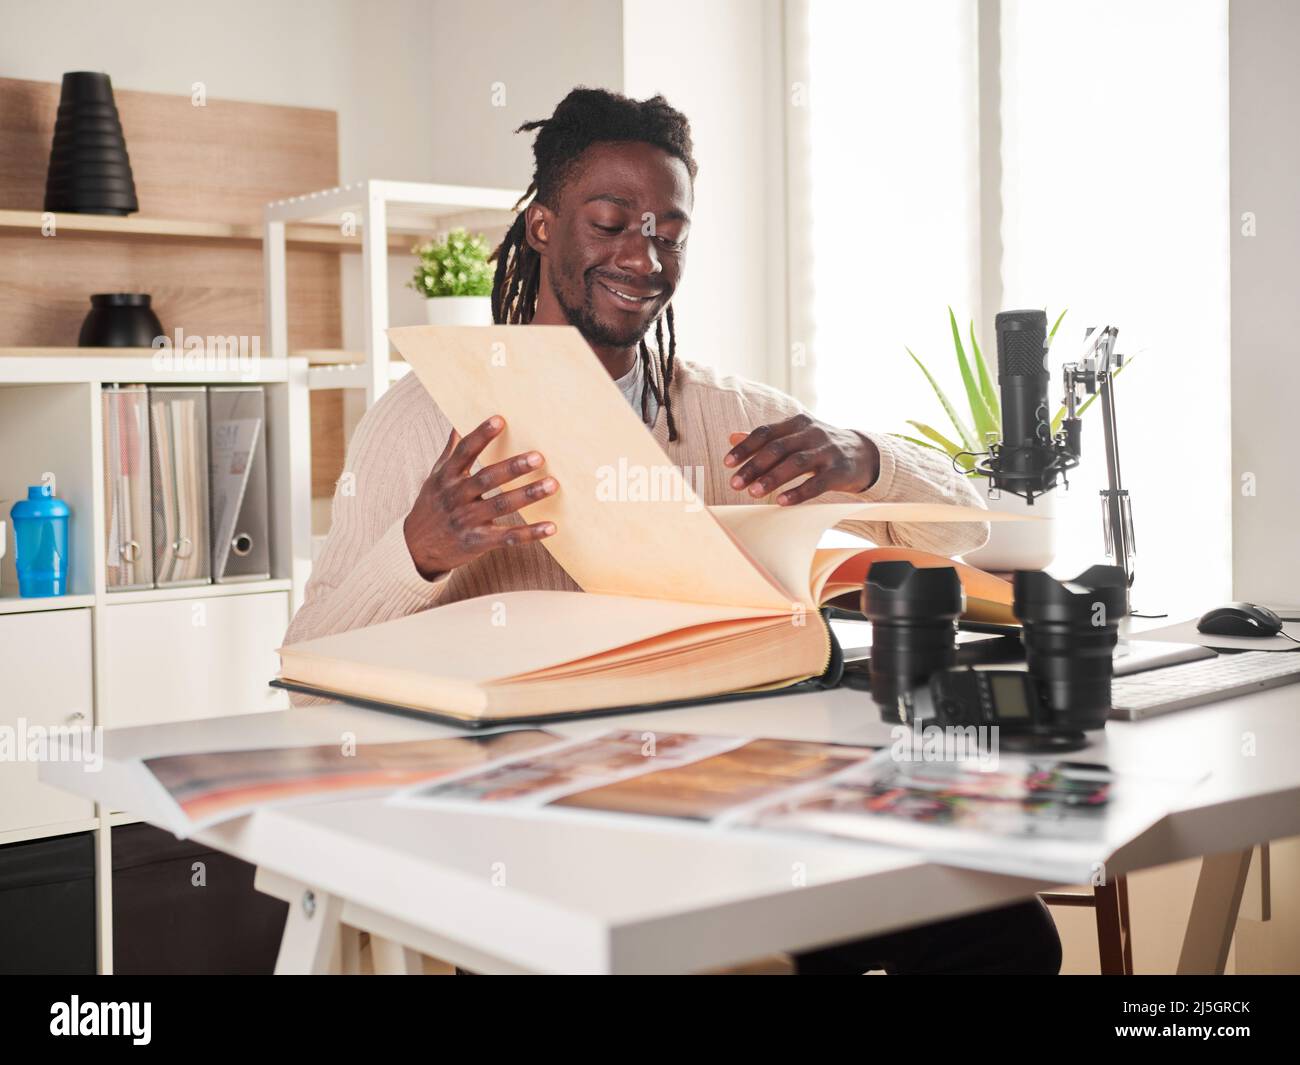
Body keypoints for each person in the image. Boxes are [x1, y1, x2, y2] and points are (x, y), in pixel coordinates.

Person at [284, 87, 1061, 976]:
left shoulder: (725, 414)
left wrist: (866, 459)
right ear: (542, 227)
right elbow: (307, 668)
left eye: (669, 230)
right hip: (538, 834)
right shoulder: (423, 419)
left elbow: (967, 528)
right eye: (612, 222)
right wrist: (422, 547)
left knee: (1006, 932)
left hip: (732, 804)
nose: (643, 255)